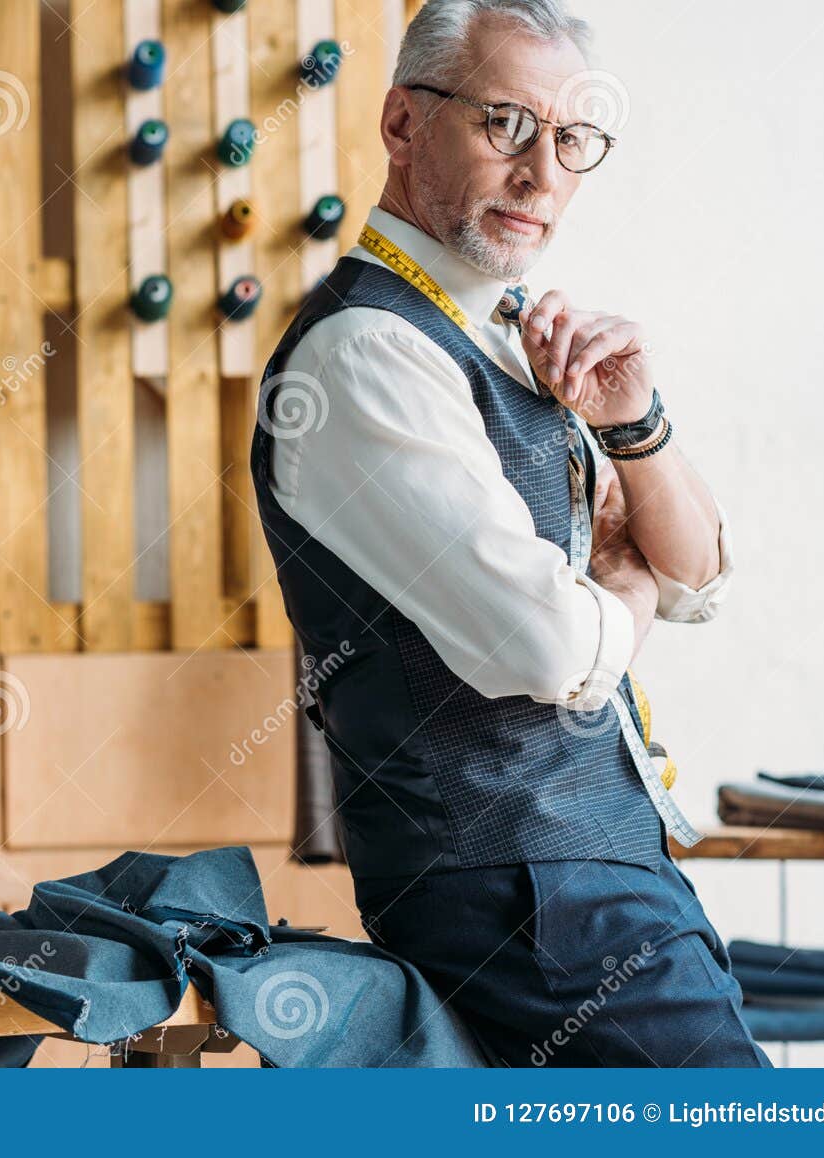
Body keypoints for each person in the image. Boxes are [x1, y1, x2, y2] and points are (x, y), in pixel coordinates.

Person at [252, 0, 768, 1066]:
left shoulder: (504, 338)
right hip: (520, 893)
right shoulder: (366, 355)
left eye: (572, 141)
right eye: (505, 125)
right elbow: (551, 651)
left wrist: (634, 426)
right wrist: (618, 581)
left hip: (597, 873)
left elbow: (701, 573)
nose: (542, 175)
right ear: (402, 123)